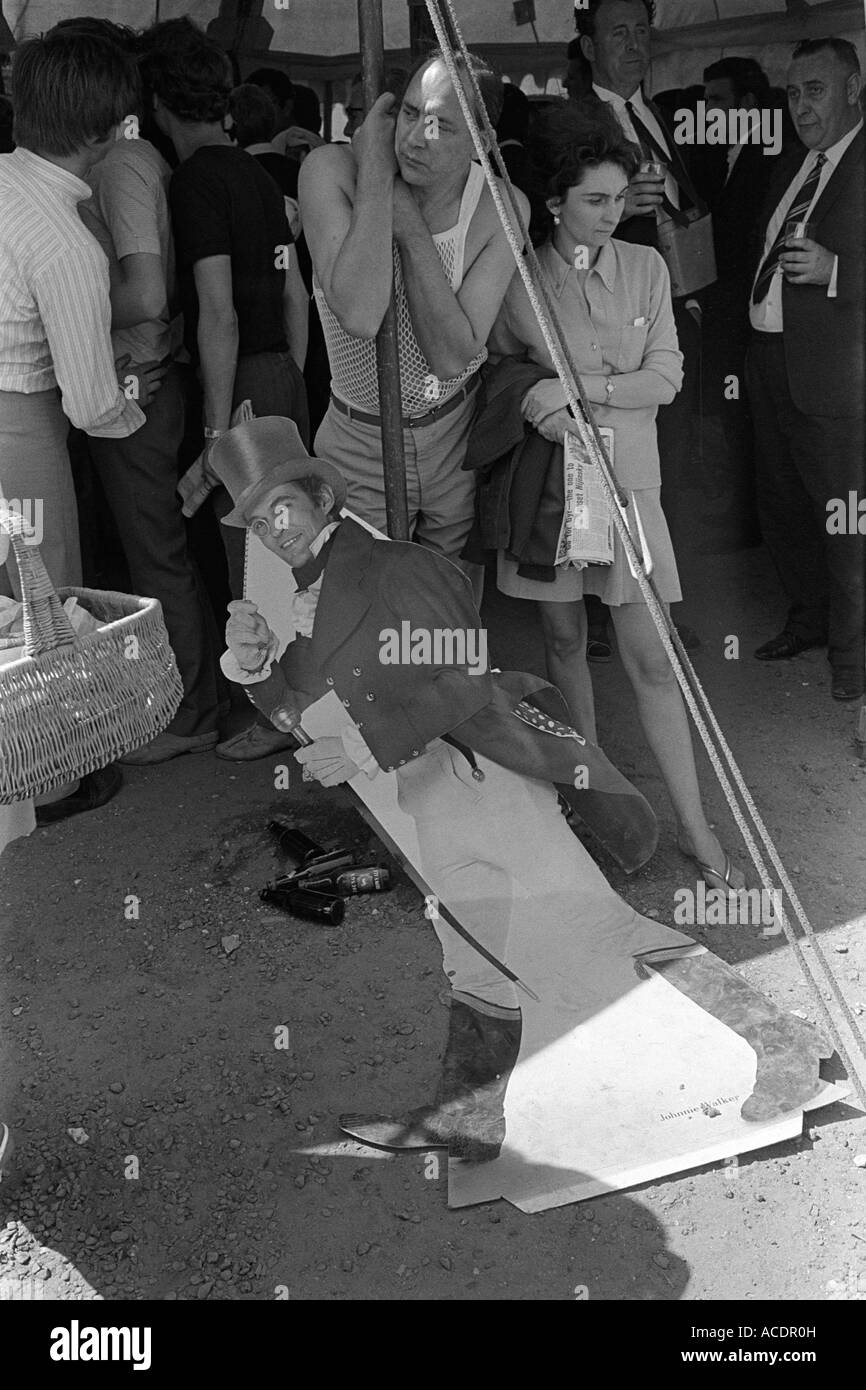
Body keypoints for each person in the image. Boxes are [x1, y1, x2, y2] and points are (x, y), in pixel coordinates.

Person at [210, 415, 828, 1157]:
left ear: (319, 495)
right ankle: (468, 1123)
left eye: (283, 507)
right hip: (425, 801)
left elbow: (467, 675)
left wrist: (363, 743)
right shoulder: (299, 597)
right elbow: (297, 713)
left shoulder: (395, 567)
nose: (274, 529)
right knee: (470, 958)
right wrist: (253, 668)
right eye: (257, 519)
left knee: (604, 928)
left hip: (485, 781)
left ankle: (781, 1043)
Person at [482, 107, 744, 893]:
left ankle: (696, 829)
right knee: (564, 648)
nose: (612, 212)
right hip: (555, 499)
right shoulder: (518, 279)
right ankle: (594, 803)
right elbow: (503, 380)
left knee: (652, 664)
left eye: (620, 197)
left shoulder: (649, 269)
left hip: (631, 492)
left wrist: (577, 389)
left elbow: (667, 379)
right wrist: (547, 399)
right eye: (595, 199)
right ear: (556, 202)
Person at [138, 18, 310, 759]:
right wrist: (290, 378)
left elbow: (218, 310)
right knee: (290, 550)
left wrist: (216, 435)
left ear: (157, 102)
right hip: (279, 372)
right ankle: (288, 708)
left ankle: (277, 718)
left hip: (236, 379)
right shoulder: (255, 174)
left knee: (252, 557)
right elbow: (294, 293)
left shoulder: (197, 183)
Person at [298, 48, 527, 580]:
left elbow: (451, 356)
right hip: (357, 435)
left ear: (480, 142)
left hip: (455, 436)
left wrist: (409, 228)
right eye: (408, 113)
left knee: (449, 615)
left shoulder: (501, 204)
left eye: (442, 125)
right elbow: (358, 312)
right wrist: (377, 179)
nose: (414, 138)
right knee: (351, 609)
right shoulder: (329, 169)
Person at [0, 29, 153, 819]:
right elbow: (90, 402)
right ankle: (47, 779)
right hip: (20, 437)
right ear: (102, 135)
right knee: (39, 605)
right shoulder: (67, 244)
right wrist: (144, 419)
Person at [65, 18, 223, 765]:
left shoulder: (125, 162)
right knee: (158, 555)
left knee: (156, 560)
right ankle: (184, 701)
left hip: (136, 383)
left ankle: (189, 713)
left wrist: (60, 311)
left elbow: (149, 293)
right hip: (144, 379)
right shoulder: (137, 158)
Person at [574, 0, 711, 653]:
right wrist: (626, 210)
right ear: (589, 46)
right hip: (610, 331)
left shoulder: (652, 115)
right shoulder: (579, 122)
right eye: (618, 33)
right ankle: (608, 619)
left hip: (671, 316)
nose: (634, 44)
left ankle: (649, 611)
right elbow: (559, 232)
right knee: (612, 476)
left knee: (662, 473)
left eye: (640, 31)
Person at [746, 37, 864, 703]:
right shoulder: (796, 160)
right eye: (791, 93)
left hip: (834, 374)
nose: (799, 106)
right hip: (767, 362)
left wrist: (837, 269)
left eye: (814, 89)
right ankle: (809, 620)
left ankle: (854, 657)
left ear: (852, 87)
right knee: (783, 506)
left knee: (845, 521)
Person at [700, 57, 779, 553]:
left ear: (748, 105)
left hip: (750, 309)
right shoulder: (721, 153)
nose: (706, 112)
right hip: (724, 306)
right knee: (733, 414)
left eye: (717, 102)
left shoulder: (770, 157)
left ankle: (752, 516)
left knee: (747, 412)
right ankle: (744, 510)